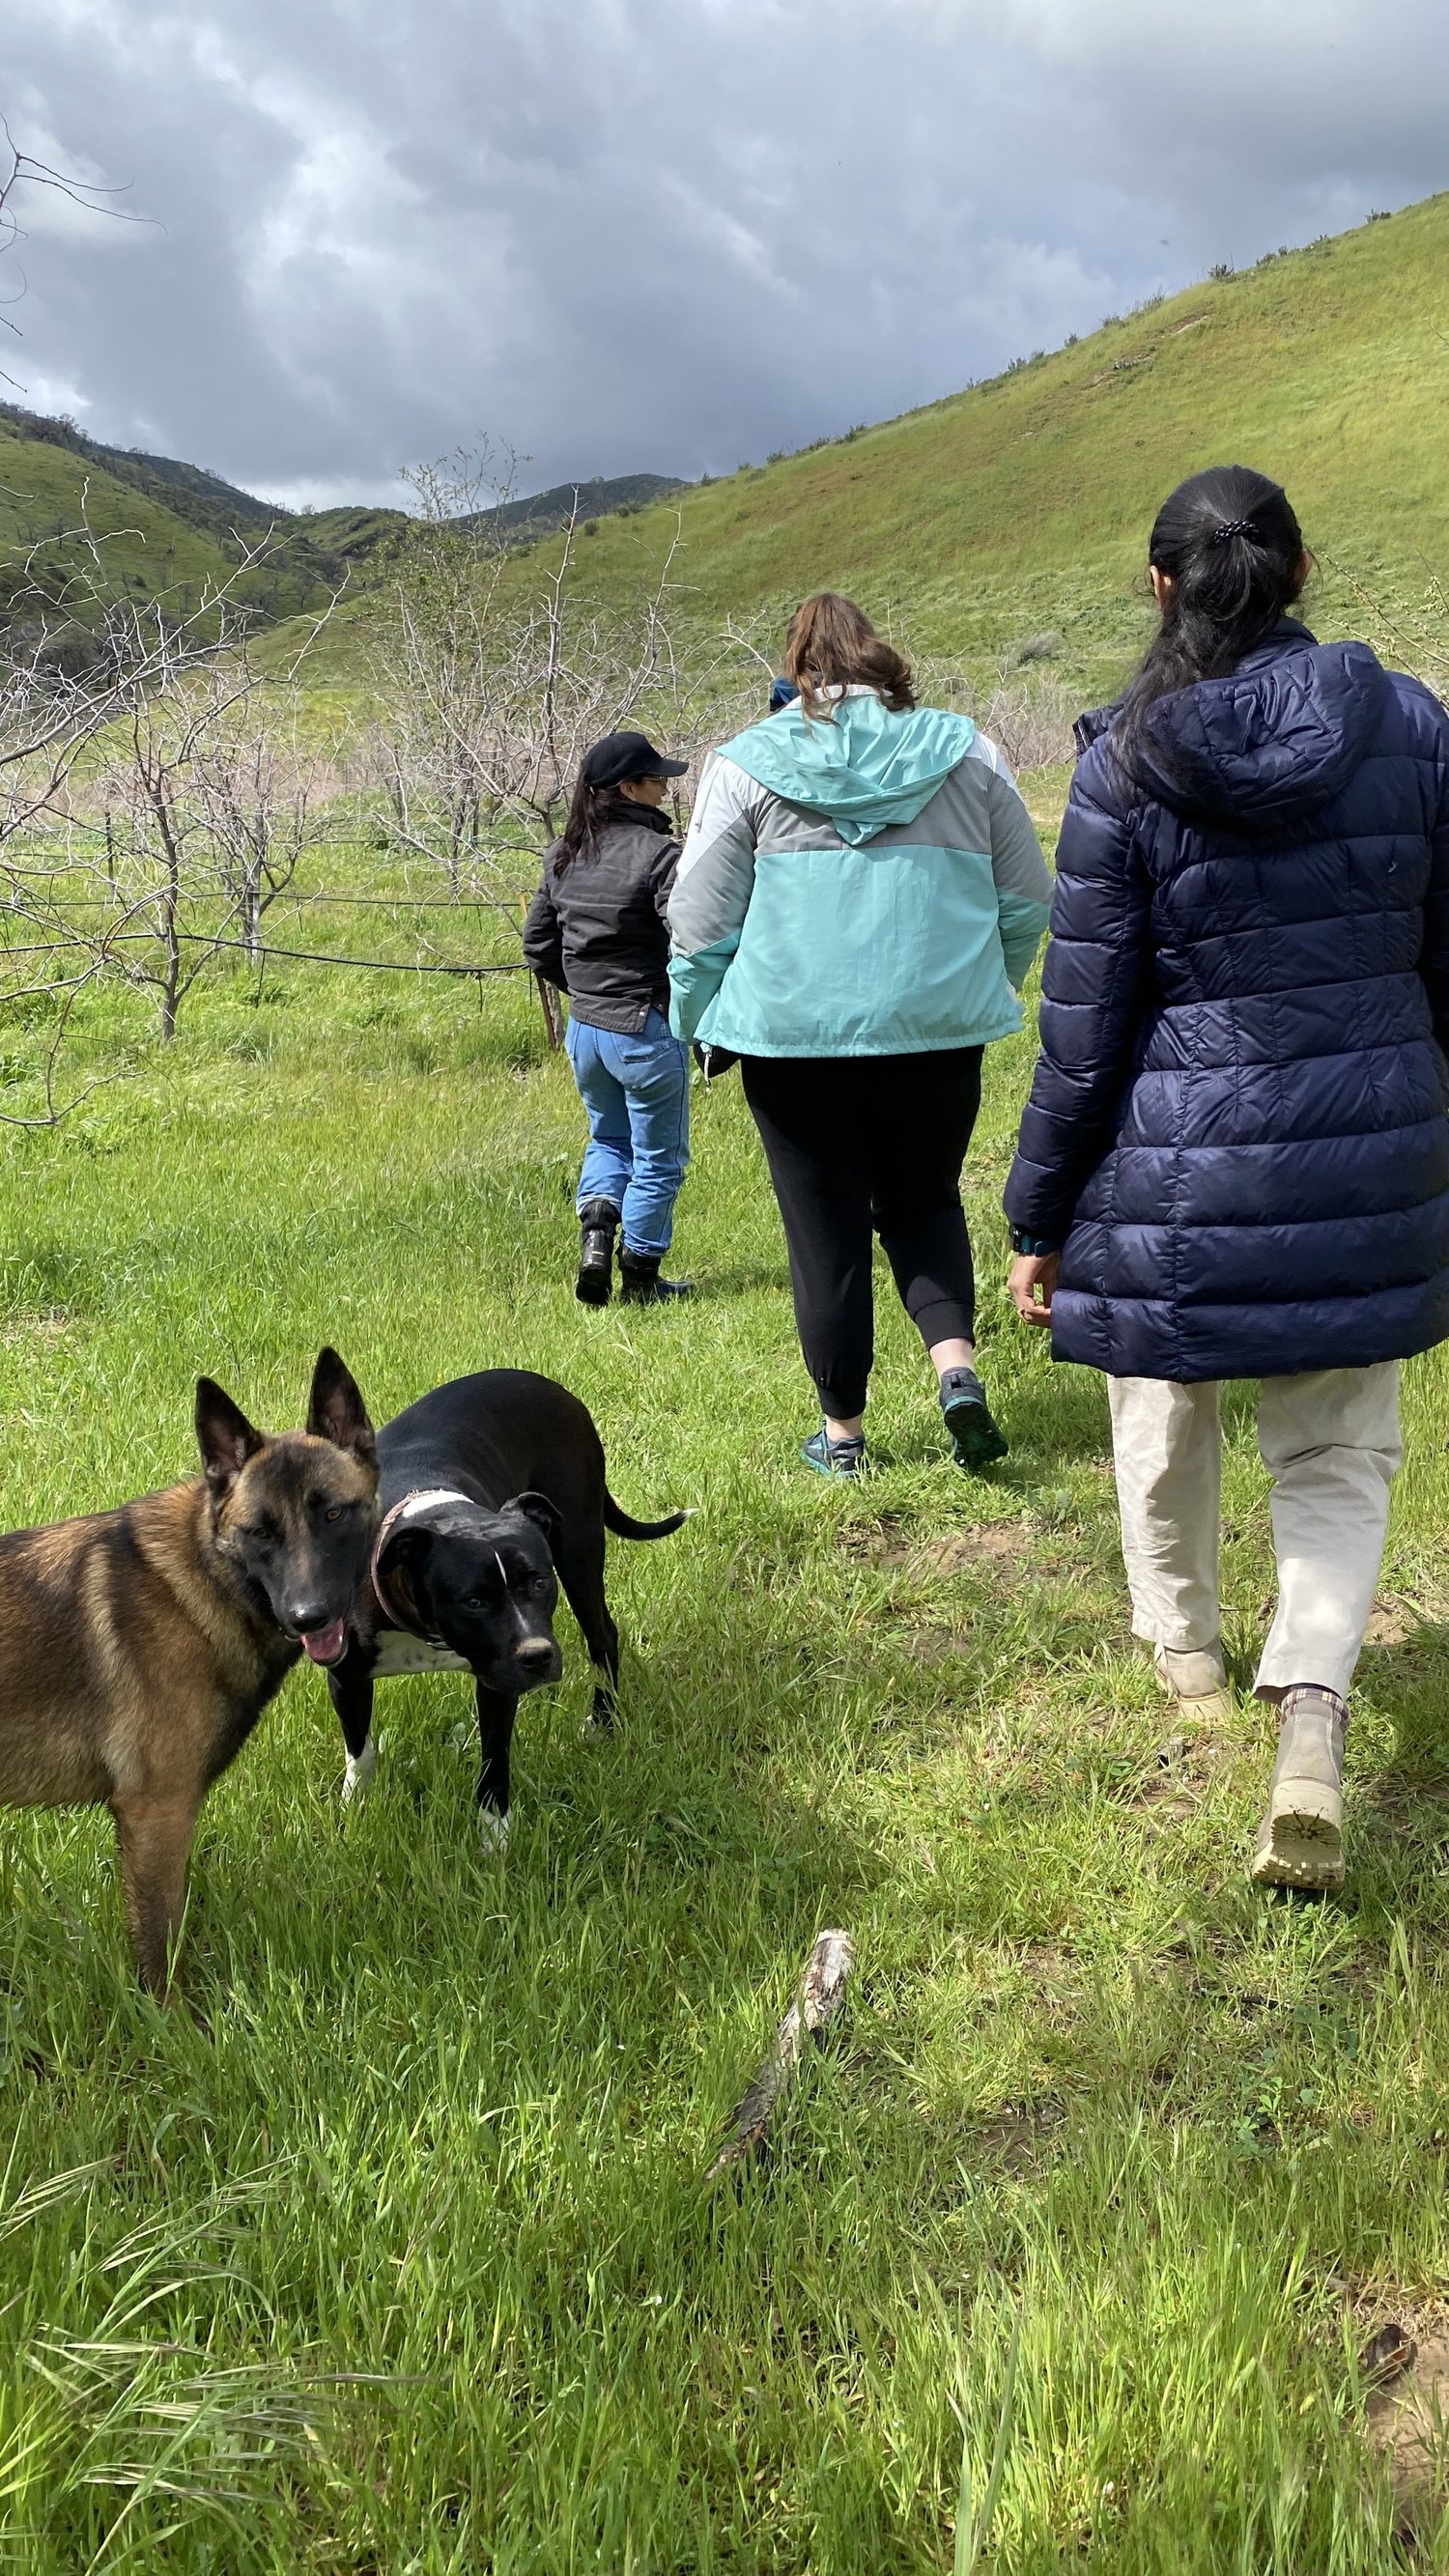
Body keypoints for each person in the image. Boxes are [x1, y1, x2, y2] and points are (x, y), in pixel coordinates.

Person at [1004, 464, 1449, 1891]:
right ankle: (1310, 1702)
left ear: (1160, 587)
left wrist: (1037, 1214)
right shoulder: (1418, 730)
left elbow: (1085, 1024)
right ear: (1303, 568)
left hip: (1173, 1164)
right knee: (1335, 1448)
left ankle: (1189, 1663)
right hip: (1371, 1142)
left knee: (1163, 1409)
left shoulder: (1122, 761)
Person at [668, 591, 1053, 1475]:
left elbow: (697, 920)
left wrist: (698, 1021)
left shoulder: (745, 764)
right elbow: (1029, 897)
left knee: (825, 1231)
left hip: (792, 1046)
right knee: (925, 1200)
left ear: (798, 666)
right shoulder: (970, 750)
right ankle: (957, 1373)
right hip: (938, 1038)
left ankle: (843, 1439)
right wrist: (987, 982)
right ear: (883, 661)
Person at [524, 730, 694, 1307]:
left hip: (586, 1032)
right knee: (658, 1157)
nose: (666, 790)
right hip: (642, 1024)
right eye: (658, 781)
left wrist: (586, 992)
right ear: (629, 789)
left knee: (608, 1137)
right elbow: (692, 940)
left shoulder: (563, 854)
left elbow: (538, 945)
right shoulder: (660, 857)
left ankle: (596, 1240)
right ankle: (641, 1279)